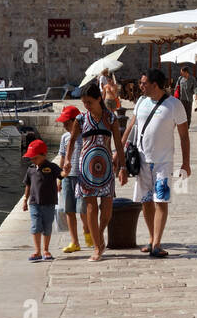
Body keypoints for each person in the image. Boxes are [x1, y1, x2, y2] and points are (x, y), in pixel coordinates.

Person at [122, 68, 190, 258]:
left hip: (163, 162)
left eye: (143, 83)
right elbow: (131, 125)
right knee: (146, 201)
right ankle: (152, 238)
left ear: (155, 84)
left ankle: (158, 243)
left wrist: (186, 163)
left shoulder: (174, 105)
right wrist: (120, 148)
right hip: (142, 160)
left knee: (161, 199)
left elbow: (184, 136)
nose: (140, 86)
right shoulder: (141, 102)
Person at [64, 82, 127, 262]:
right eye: (84, 102)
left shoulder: (111, 118)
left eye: (89, 102)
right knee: (91, 207)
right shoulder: (81, 120)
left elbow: (118, 144)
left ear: (99, 99)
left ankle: (98, 234)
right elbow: (71, 141)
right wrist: (67, 160)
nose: (86, 106)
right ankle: (98, 247)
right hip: (86, 169)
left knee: (107, 209)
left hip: (106, 168)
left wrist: (122, 167)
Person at [55, 104, 91, 253]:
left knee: (83, 210)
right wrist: (60, 178)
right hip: (68, 177)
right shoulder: (65, 137)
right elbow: (62, 157)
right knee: (69, 210)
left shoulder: (85, 135)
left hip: (82, 176)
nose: (64, 125)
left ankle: (87, 231)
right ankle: (75, 242)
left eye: (66, 122)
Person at [22, 139, 61, 262]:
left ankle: (46, 249)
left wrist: (67, 170)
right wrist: (25, 200)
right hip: (34, 202)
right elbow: (28, 185)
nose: (32, 160)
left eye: (35, 158)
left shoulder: (52, 167)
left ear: (44, 155)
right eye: (31, 158)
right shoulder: (31, 169)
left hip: (49, 203)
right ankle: (37, 251)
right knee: (35, 226)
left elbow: (62, 174)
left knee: (47, 226)